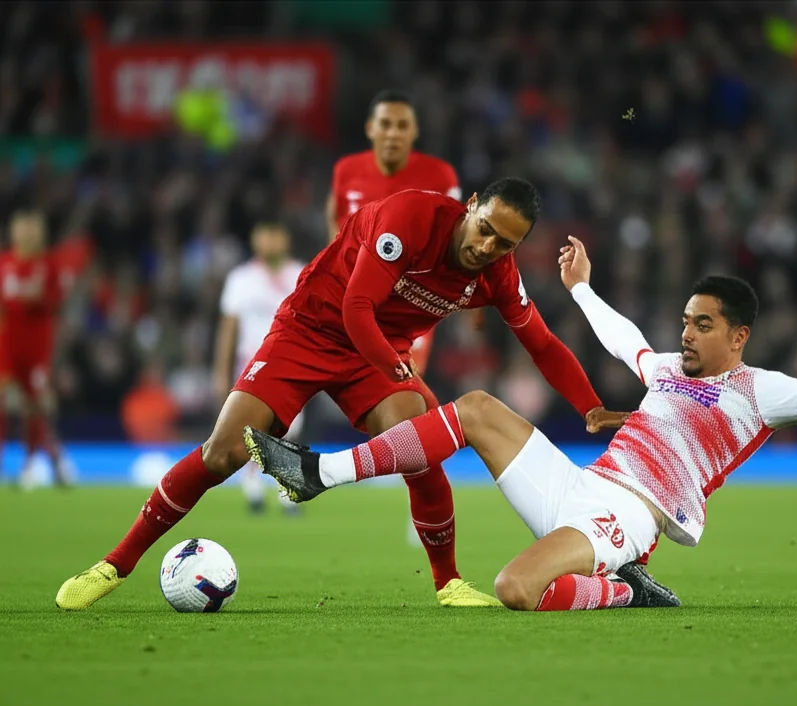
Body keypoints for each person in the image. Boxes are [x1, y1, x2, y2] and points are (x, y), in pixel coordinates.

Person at [245, 235, 797, 612]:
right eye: (685, 321)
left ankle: (625, 590)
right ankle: (315, 473)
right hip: (579, 484)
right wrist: (581, 290)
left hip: (628, 514)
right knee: (475, 410)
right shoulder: (669, 369)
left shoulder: (762, 390)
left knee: (514, 590)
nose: (686, 335)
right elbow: (622, 337)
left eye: (702, 325)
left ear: (737, 335)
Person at [56, 179, 624, 611]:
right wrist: (397, 368)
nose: (489, 247)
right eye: (486, 229)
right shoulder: (412, 218)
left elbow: (542, 343)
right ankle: (115, 564)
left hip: (377, 352)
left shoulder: (498, 274)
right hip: (310, 330)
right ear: (471, 205)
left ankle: (448, 582)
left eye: (506, 244)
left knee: (419, 444)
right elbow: (355, 308)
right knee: (223, 453)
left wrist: (588, 404)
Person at [326, 89, 463, 375]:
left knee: (403, 383)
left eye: (402, 126)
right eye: (385, 124)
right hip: (354, 296)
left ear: (414, 131)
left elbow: (457, 239)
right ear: (370, 128)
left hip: (410, 302)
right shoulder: (346, 170)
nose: (393, 134)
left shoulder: (440, 176)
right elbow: (336, 219)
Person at [212, 222, 305, 514]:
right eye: (265, 234)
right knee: (253, 427)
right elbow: (228, 329)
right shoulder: (241, 279)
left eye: (275, 234)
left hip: (294, 363)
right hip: (252, 363)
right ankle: (253, 484)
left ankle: (282, 485)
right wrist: (220, 371)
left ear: (285, 239)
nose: (270, 241)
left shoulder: (301, 274)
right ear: (255, 240)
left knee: (289, 429)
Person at [0, 210, 71, 488]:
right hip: (8, 342)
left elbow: (57, 300)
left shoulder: (49, 265)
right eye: (23, 230)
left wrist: (37, 297)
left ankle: (32, 463)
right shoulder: (4, 263)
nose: (28, 236)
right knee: (3, 399)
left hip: (38, 345)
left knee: (35, 407)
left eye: (33, 230)